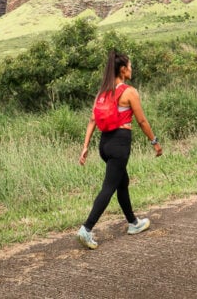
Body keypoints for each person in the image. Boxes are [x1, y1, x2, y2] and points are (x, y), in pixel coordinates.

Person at [77, 49, 162, 249]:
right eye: (130, 66)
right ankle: (86, 229)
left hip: (104, 144)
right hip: (119, 144)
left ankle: (133, 223)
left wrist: (85, 146)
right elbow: (141, 120)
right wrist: (154, 142)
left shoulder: (103, 92)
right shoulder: (129, 92)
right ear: (123, 70)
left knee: (122, 181)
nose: (132, 69)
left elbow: (92, 120)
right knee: (109, 186)